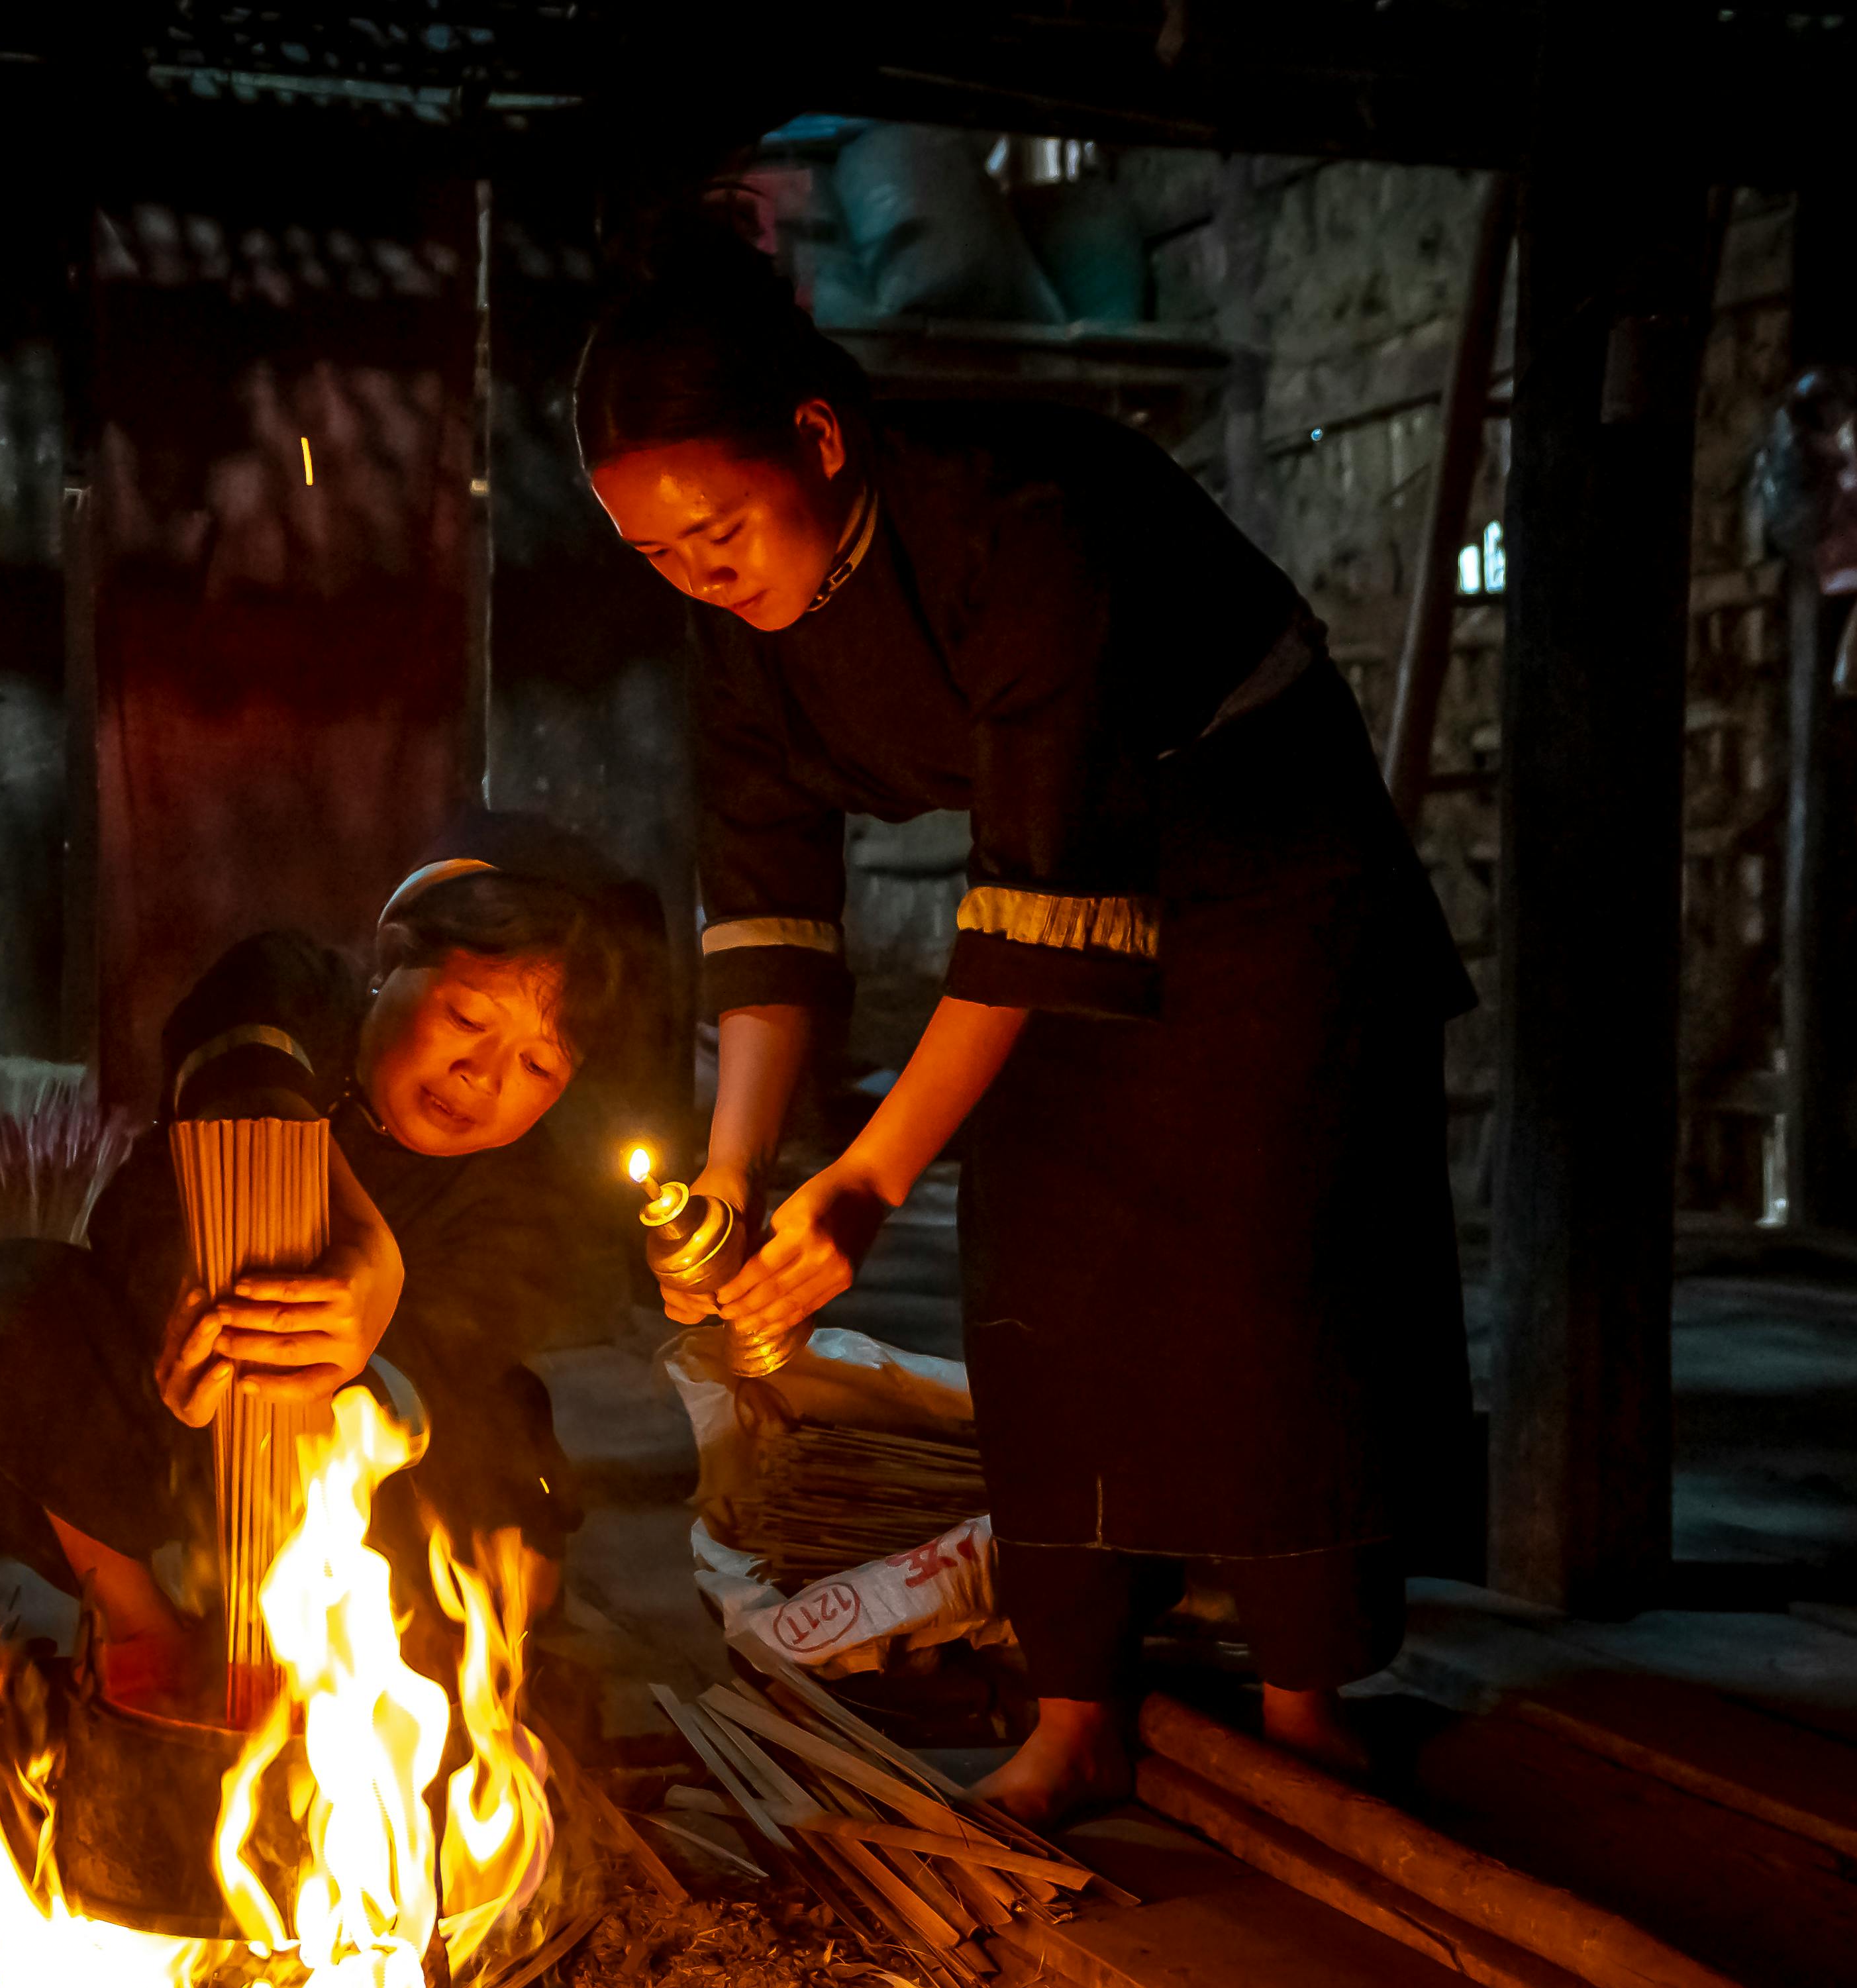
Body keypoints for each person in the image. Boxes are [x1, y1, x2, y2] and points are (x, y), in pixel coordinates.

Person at [580, 226, 1475, 1821]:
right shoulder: (734, 635)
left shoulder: (1017, 517)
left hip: (1261, 875)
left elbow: (1037, 886)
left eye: (715, 528)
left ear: (818, 438)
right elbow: (769, 905)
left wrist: (859, 1182)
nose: (699, 574)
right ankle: (1077, 1713)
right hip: (1050, 912)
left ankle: (1304, 1702)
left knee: (1262, 1283)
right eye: (655, 557)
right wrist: (731, 1172)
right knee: (1041, 1279)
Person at [0, 829, 662, 1713]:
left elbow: (454, 1356)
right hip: (182, 1405)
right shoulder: (300, 996)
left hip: (380, 1460)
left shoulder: (531, 1199)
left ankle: (377, 1666)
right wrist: (316, 1257)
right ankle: (138, 1625)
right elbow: (234, 1064)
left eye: (538, 1064)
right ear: (392, 964)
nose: (481, 1074)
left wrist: (348, 1373)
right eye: (468, 1018)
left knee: (504, 1460)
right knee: (13, 1302)